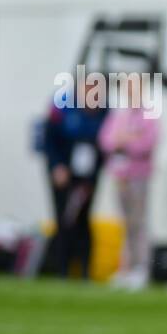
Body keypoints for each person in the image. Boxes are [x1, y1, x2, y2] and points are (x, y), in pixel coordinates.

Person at [98, 77, 159, 290]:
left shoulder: (148, 115)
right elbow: (106, 140)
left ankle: (141, 267)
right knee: (125, 223)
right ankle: (126, 267)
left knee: (138, 221)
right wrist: (127, 139)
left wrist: (125, 141)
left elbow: (147, 143)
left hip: (138, 176)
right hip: (121, 176)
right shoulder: (120, 115)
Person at [42, 80, 106, 279]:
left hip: (86, 176)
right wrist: (56, 166)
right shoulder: (62, 106)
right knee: (63, 220)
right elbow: (49, 139)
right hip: (64, 172)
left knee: (83, 221)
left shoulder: (104, 111)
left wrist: (92, 177)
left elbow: (105, 146)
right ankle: (62, 269)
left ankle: (85, 270)